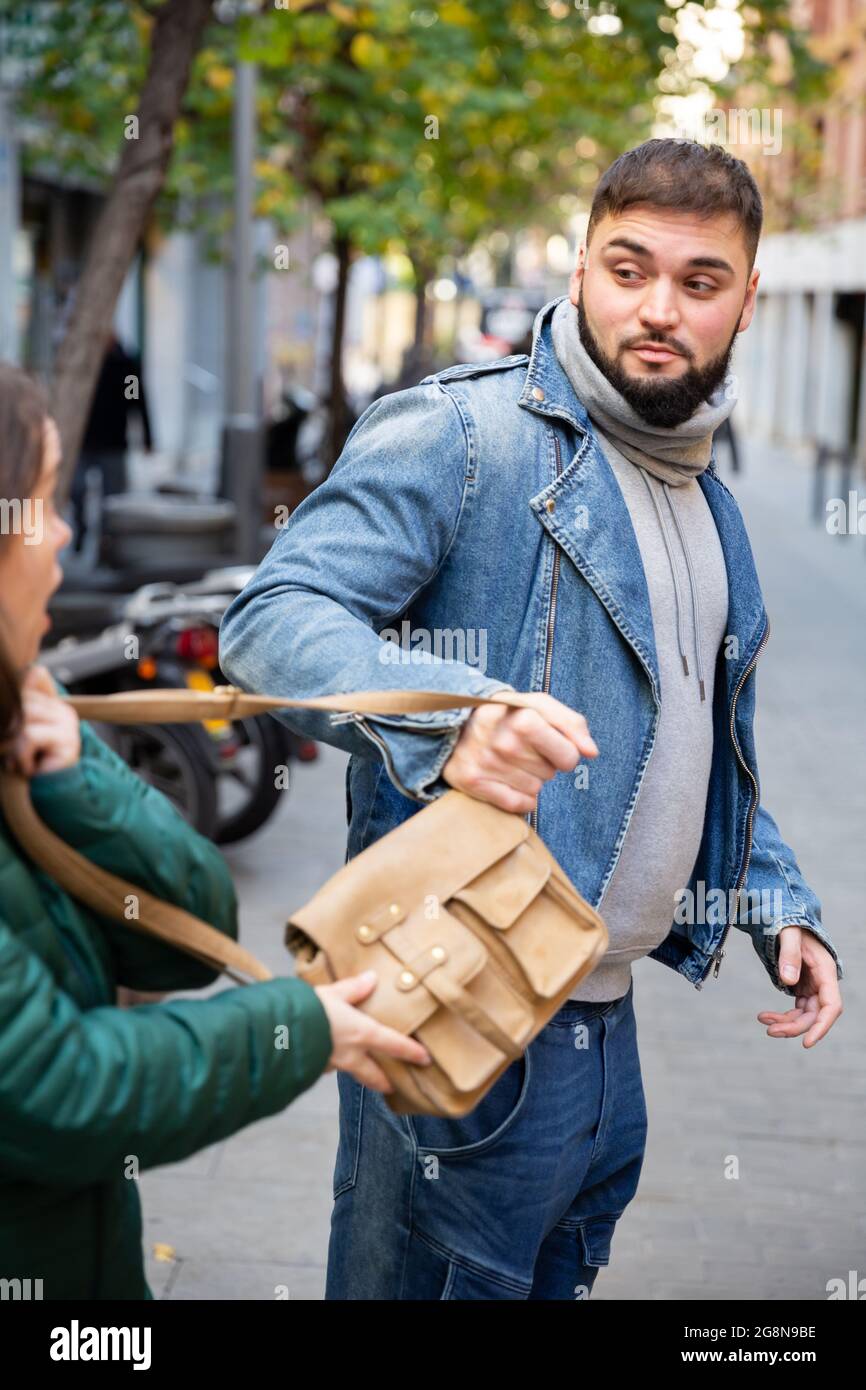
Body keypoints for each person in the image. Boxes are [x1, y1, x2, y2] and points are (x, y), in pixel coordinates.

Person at [219, 138, 844, 1302]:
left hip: (608, 1034)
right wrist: (449, 723)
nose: (657, 308)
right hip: (461, 1015)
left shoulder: (707, 494)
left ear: (746, 302)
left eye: (698, 281)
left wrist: (773, 902)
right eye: (627, 267)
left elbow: (698, 738)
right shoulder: (464, 437)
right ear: (577, 268)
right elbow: (270, 620)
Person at [0, 364, 431, 1300]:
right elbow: (57, 1093)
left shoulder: (28, 727)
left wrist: (77, 778)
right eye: (44, 502)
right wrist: (298, 1028)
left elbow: (188, 932)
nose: (66, 536)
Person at [70, 332, 153, 551]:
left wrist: (147, 437)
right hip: (84, 442)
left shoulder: (125, 364)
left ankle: (106, 542)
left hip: (113, 443)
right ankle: (81, 530)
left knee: (112, 498)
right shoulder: (83, 364)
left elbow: (137, 400)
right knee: (76, 490)